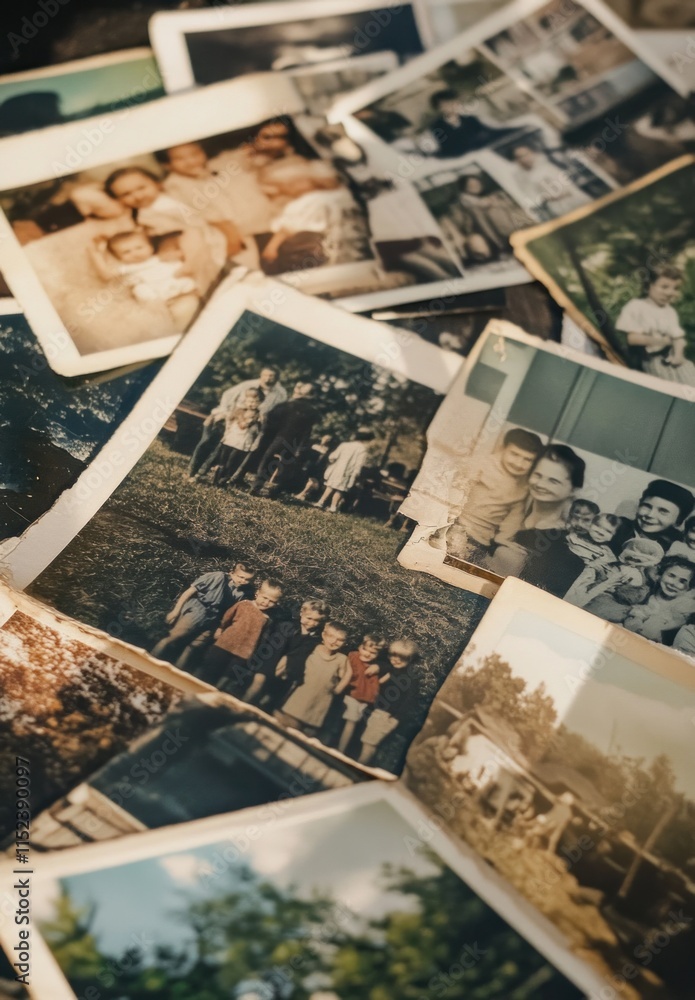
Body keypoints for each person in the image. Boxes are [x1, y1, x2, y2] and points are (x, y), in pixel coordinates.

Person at [104, 166, 231, 294]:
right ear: (119, 200)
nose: (137, 195)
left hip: (200, 234)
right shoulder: (139, 215)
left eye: (141, 188)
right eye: (126, 194)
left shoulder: (170, 198)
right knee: (165, 256)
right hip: (174, 244)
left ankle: (191, 266)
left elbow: (194, 219)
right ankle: (192, 280)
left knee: (192, 236)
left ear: (157, 184)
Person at [486, 444, 587, 596]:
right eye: (537, 475)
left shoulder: (562, 551)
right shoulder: (503, 514)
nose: (540, 484)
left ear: (573, 490)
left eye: (553, 481)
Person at [445, 427, 544, 565]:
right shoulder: (483, 464)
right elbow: (457, 487)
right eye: (514, 454)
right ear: (503, 449)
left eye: (527, 460)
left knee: (467, 565)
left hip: (482, 539)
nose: (518, 463)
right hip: (457, 524)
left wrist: (504, 537)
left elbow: (515, 515)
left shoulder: (523, 485)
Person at [161, 140, 275, 247]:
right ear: (167, 165)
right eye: (180, 159)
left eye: (195, 154)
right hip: (239, 238)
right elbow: (209, 217)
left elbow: (248, 154)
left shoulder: (215, 166)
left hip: (266, 224)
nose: (191, 161)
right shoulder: (175, 185)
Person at [259, 161, 364, 274]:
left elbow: (287, 228)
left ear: (299, 182)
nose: (282, 191)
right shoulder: (340, 195)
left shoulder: (304, 202)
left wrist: (271, 248)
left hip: (313, 245)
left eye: (284, 187)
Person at [187, 367, 287, 481]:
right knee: (213, 445)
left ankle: (223, 478)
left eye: (271, 376)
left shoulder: (280, 393)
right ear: (261, 375)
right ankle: (195, 471)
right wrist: (225, 413)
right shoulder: (248, 385)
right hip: (234, 419)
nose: (267, 378)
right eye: (265, 375)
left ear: (277, 378)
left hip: (252, 426)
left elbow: (277, 411)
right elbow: (227, 395)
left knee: (236, 454)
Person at [88, 230, 199, 330]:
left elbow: (182, 251)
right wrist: (98, 253)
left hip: (181, 290)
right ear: (119, 257)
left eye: (139, 248)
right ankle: (164, 315)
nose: (135, 253)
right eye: (126, 252)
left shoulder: (160, 257)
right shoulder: (128, 268)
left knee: (186, 302)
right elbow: (106, 274)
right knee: (140, 289)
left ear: (150, 247)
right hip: (160, 299)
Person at [152, 561, 256, 666]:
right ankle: (151, 661)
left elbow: (229, 611)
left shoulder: (241, 593)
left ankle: (176, 673)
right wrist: (175, 611)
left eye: (247, 580)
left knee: (193, 647)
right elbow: (190, 591)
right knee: (172, 638)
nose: (243, 581)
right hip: (198, 610)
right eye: (241, 577)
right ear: (232, 573)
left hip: (214, 618)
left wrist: (220, 627)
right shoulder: (217, 577)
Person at [364, 176, 461, 282]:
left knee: (449, 263)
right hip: (396, 253)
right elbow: (375, 241)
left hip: (414, 245)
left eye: (385, 190)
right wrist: (380, 266)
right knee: (436, 272)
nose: (385, 194)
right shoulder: (374, 208)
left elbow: (416, 227)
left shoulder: (397, 202)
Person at [196, 578, 284, 693]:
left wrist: (254, 654)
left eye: (271, 601)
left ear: (276, 604)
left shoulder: (268, 619)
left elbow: (262, 639)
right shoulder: (243, 604)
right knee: (208, 668)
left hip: (243, 653)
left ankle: (214, 695)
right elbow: (227, 617)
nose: (266, 602)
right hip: (225, 644)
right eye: (264, 597)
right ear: (257, 593)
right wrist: (221, 628)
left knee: (227, 677)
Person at [615, 265, 695, 385]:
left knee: (689, 373)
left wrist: (678, 356)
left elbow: (677, 337)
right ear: (649, 286)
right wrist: (663, 341)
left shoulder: (669, 311)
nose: (670, 292)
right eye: (664, 287)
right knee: (669, 385)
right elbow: (633, 339)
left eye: (675, 288)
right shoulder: (637, 306)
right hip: (649, 358)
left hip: (671, 357)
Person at [246, 598, 328, 708]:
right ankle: (238, 708)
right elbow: (271, 648)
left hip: (288, 671)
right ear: (301, 613)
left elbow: (301, 657)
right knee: (257, 685)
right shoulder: (286, 627)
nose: (312, 623)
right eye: (309, 618)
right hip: (269, 662)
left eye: (317, 620)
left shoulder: (315, 639)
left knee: (267, 700)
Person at [274, 621, 351, 736]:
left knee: (305, 733)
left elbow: (346, 675)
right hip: (301, 694)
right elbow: (293, 658)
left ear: (344, 643)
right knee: (285, 725)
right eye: (330, 636)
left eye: (339, 640)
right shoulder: (312, 648)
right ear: (323, 635)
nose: (334, 641)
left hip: (321, 699)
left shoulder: (342, 659)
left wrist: (338, 689)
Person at [564, 536, 664, 618]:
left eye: (638, 561)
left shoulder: (645, 579)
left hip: (620, 608)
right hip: (598, 600)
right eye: (629, 559)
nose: (632, 563)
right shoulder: (615, 567)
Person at [250, 382, 319, 496]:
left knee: (267, 460)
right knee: (286, 467)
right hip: (294, 442)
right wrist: (301, 447)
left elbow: (271, 419)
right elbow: (307, 432)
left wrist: (267, 434)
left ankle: (257, 486)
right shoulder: (312, 412)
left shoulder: (287, 404)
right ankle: (276, 490)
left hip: (278, 437)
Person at [358, 638, 420, 765]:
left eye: (402, 657)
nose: (396, 660)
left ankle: (358, 767)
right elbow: (382, 665)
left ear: (411, 659)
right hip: (374, 711)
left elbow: (410, 702)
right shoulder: (390, 669)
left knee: (369, 744)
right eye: (393, 655)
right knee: (366, 740)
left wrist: (396, 719)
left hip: (386, 716)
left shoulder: (410, 679)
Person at [422, 89, 519, 159]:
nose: (452, 106)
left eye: (454, 102)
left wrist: (516, 129)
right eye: (446, 104)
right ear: (438, 108)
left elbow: (491, 132)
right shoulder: (436, 128)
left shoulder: (470, 119)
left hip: (485, 155)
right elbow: (444, 152)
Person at [611, 479, 695, 555]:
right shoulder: (617, 526)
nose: (650, 515)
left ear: (678, 521)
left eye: (663, 511)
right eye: (646, 506)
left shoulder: (677, 546)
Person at [623, 556, 695, 642]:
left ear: (689, 588)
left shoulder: (686, 606)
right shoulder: (652, 595)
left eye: (682, 581)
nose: (673, 583)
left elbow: (651, 632)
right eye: (671, 576)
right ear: (660, 575)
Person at [337, 634, 388, 755]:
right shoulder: (353, 656)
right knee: (343, 720)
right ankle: (334, 746)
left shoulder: (376, 666)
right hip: (348, 692)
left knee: (351, 722)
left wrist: (380, 667)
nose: (366, 654)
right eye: (365, 649)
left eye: (372, 653)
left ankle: (340, 751)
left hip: (361, 698)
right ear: (360, 647)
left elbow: (389, 669)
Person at [510, 145, 591, 219]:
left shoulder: (546, 165)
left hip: (574, 197)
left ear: (532, 153)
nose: (525, 158)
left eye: (526, 154)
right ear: (517, 160)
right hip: (557, 206)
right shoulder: (522, 178)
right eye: (520, 157)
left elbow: (566, 182)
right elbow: (532, 196)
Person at [212, 387, 264, 486]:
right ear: (245, 401)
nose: (251, 404)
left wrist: (256, 443)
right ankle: (216, 482)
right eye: (249, 401)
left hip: (242, 443)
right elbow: (230, 422)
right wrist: (226, 433)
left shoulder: (260, 416)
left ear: (260, 403)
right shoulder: (239, 411)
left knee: (232, 464)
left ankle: (223, 481)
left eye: (255, 402)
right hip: (230, 439)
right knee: (222, 462)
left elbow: (261, 432)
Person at [313, 429, 374, 513]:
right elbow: (359, 464)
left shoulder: (345, 445)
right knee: (340, 489)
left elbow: (332, 456)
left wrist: (332, 463)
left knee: (330, 486)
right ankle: (333, 507)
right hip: (349, 472)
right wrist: (356, 474)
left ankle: (321, 502)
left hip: (337, 469)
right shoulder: (362, 449)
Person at [293, 435, 333, 502]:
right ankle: (301, 493)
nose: (325, 440)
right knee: (304, 478)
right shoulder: (315, 446)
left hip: (317, 467)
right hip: (309, 464)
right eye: (324, 438)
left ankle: (303, 494)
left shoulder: (327, 450)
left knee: (312, 480)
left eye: (327, 439)